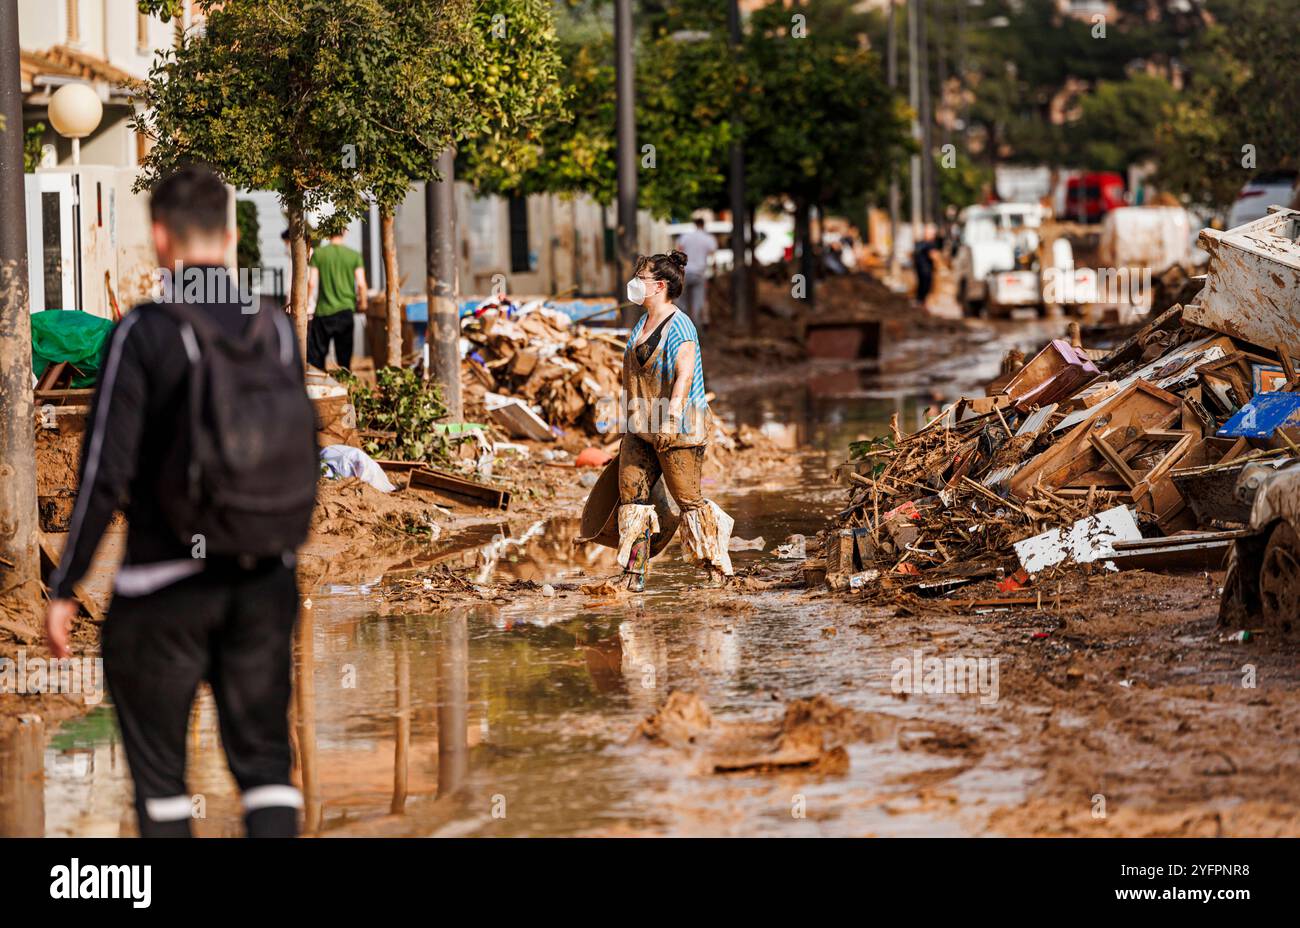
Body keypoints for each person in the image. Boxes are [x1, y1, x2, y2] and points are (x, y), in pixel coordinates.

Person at [45, 164, 318, 838]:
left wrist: (65, 584)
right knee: (265, 771)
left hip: (162, 592)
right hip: (264, 581)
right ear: (229, 238)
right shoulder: (275, 327)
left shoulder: (143, 331)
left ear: (161, 239)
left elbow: (103, 471)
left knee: (164, 785)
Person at [618, 251, 734, 592]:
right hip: (642, 425)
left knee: (688, 500)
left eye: (641, 278)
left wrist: (670, 419)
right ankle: (634, 573)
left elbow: (683, 376)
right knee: (632, 496)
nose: (635, 284)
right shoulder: (642, 323)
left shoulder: (680, 325)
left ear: (659, 286)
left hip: (679, 426)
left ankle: (716, 569)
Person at [306, 230, 366, 370]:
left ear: (328, 233)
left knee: (317, 357)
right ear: (344, 232)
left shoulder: (319, 254)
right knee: (344, 359)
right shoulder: (354, 255)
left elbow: (311, 283)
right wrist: (363, 304)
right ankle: (345, 386)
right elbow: (361, 284)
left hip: (323, 313)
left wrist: (307, 303)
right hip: (345, 312)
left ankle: (318, 386)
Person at [675, 218, 718, 329]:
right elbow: (713, 255)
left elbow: (678, 250)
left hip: (685, 272)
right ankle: (696, 327)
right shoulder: (708, 238)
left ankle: (681, 325)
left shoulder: (685, 237)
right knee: (698, 301)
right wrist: (714, 271)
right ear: (703, 225)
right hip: (700, 274)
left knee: (682, 301)